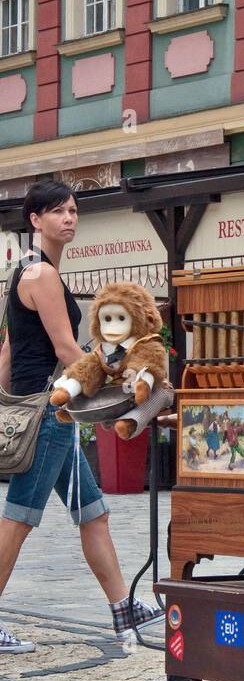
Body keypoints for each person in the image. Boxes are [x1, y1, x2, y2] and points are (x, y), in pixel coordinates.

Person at [0, 181, 164, 653]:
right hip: (50, 412)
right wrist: (116, 384)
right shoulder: (43, 276)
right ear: (35, 219)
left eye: (73, 210)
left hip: (47, 411)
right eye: (57, 212)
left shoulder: (25, 270)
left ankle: (122, 608)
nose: (69, 218)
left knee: (94, 514)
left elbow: (11, 345)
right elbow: (67, 350)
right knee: (19, 520)